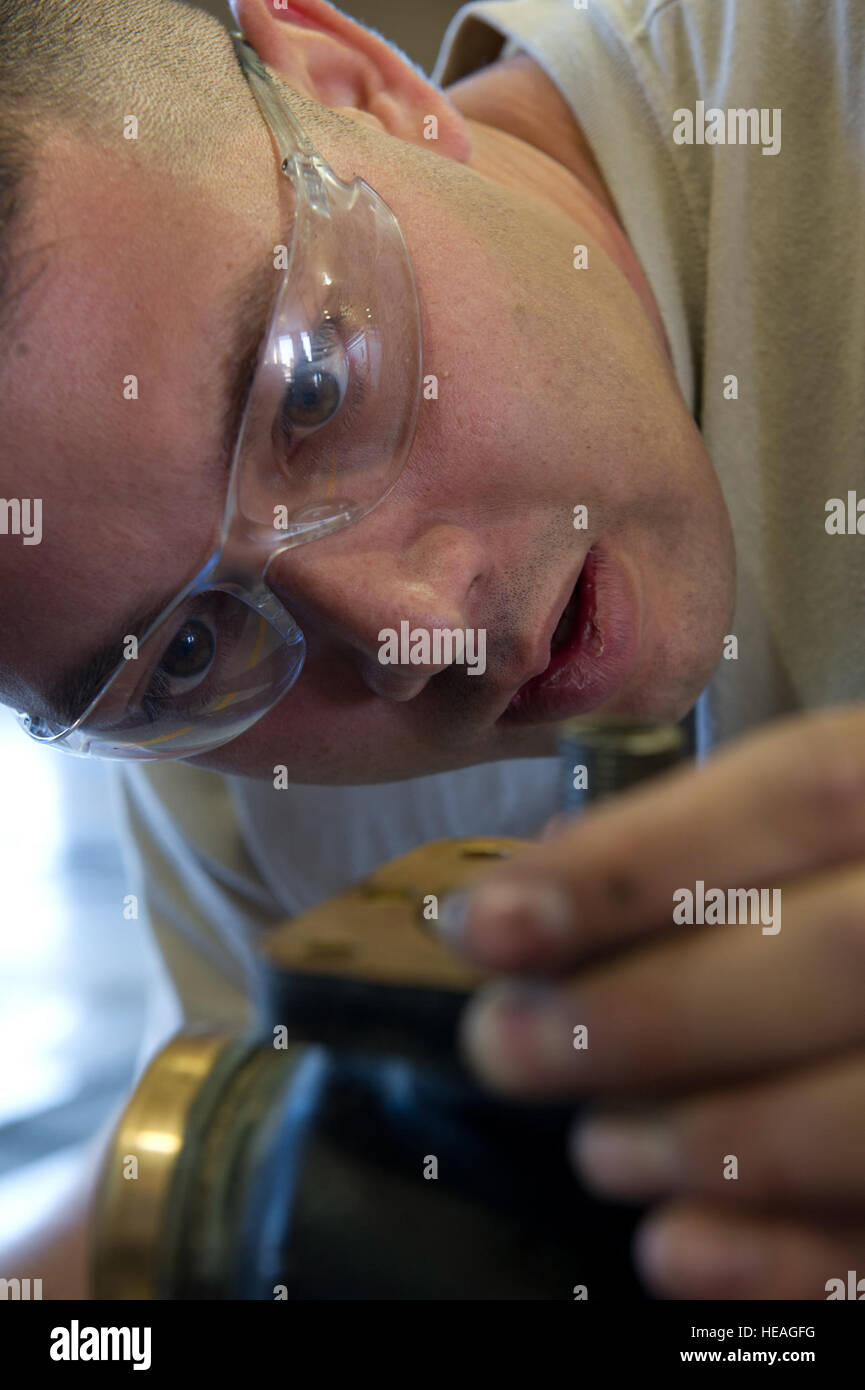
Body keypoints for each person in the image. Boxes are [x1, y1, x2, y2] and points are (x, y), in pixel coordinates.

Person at [0, 0, 862, 1301]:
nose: (411, 630)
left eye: (311, 390)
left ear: (357, 83)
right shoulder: (230, 781)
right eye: (183, 649)